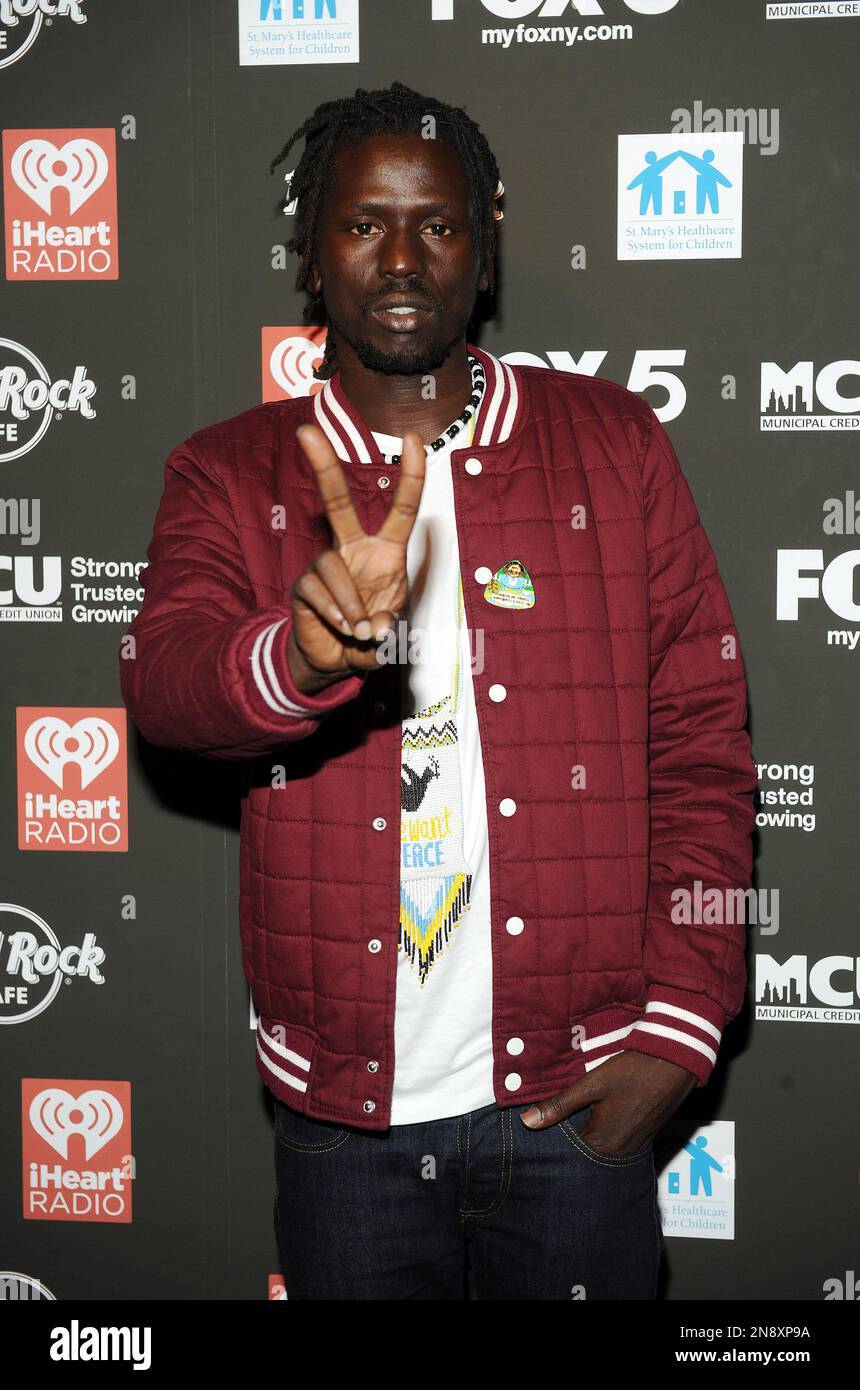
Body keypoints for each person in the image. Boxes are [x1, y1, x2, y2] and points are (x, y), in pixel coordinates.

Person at [118, 81, 757, 1300]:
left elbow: (702, 744)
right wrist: (299, 656)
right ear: (311, 252)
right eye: (362, 224)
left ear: (485, 245)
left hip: (578, 1102)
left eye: (438, 224)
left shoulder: (614, 447)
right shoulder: (228, 470)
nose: (401, 258)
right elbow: (169, 682)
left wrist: (683, 1022)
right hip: (344, 1122)